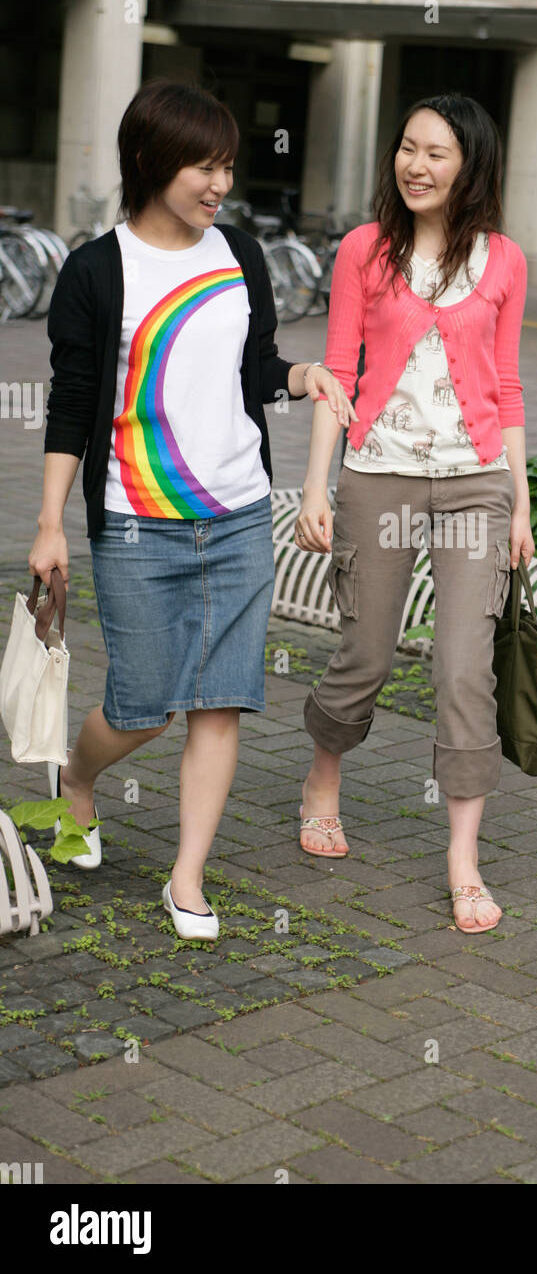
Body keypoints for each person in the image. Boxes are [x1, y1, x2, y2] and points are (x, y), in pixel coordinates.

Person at [29, 78, 355, 941]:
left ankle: (187, 877)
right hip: (135, 517)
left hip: (241, 513)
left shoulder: (239, 252)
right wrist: (49, 521)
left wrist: (303, 376)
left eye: (226, 168)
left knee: (220, 699)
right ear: (149, 161)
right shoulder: (98, 270)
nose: (218, 185)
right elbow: (72, 403)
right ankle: (77, 780)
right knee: (142, 705)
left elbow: (256, 367)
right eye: (201, 167)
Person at [294, 92, 534, 934]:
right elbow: (337, 369)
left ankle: (463, 858)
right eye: (407, 147)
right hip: (377, 476)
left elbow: (505, 386)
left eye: (436, 152)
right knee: (366, 649)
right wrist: (316, 484)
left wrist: (519, 505)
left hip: (474, 485)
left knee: (465, 667)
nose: (417, 164)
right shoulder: (365, 248)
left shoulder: (504, 260)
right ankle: (323, 775)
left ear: (470, 165)